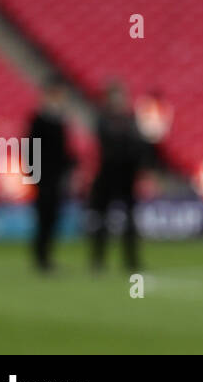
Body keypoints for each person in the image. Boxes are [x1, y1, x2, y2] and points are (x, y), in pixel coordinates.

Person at [87, 79, 147, 273]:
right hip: (108, 174)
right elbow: (109, 144)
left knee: (129, 220)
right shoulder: (105, 120)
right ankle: (98, 260)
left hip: (127, 175)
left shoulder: (130, 120)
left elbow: (139, 146)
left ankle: (130, 260)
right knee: (102, 219)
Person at [27, 74, 76, 273]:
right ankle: (41, 257)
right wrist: (34, 175)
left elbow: (64, 151)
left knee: (52, 218)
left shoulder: (59, 120)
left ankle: (46, 257)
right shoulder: (39, 119)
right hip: (43, 177)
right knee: (43, 218)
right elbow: (30, 149)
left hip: (57, 177)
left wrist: (70, 167)